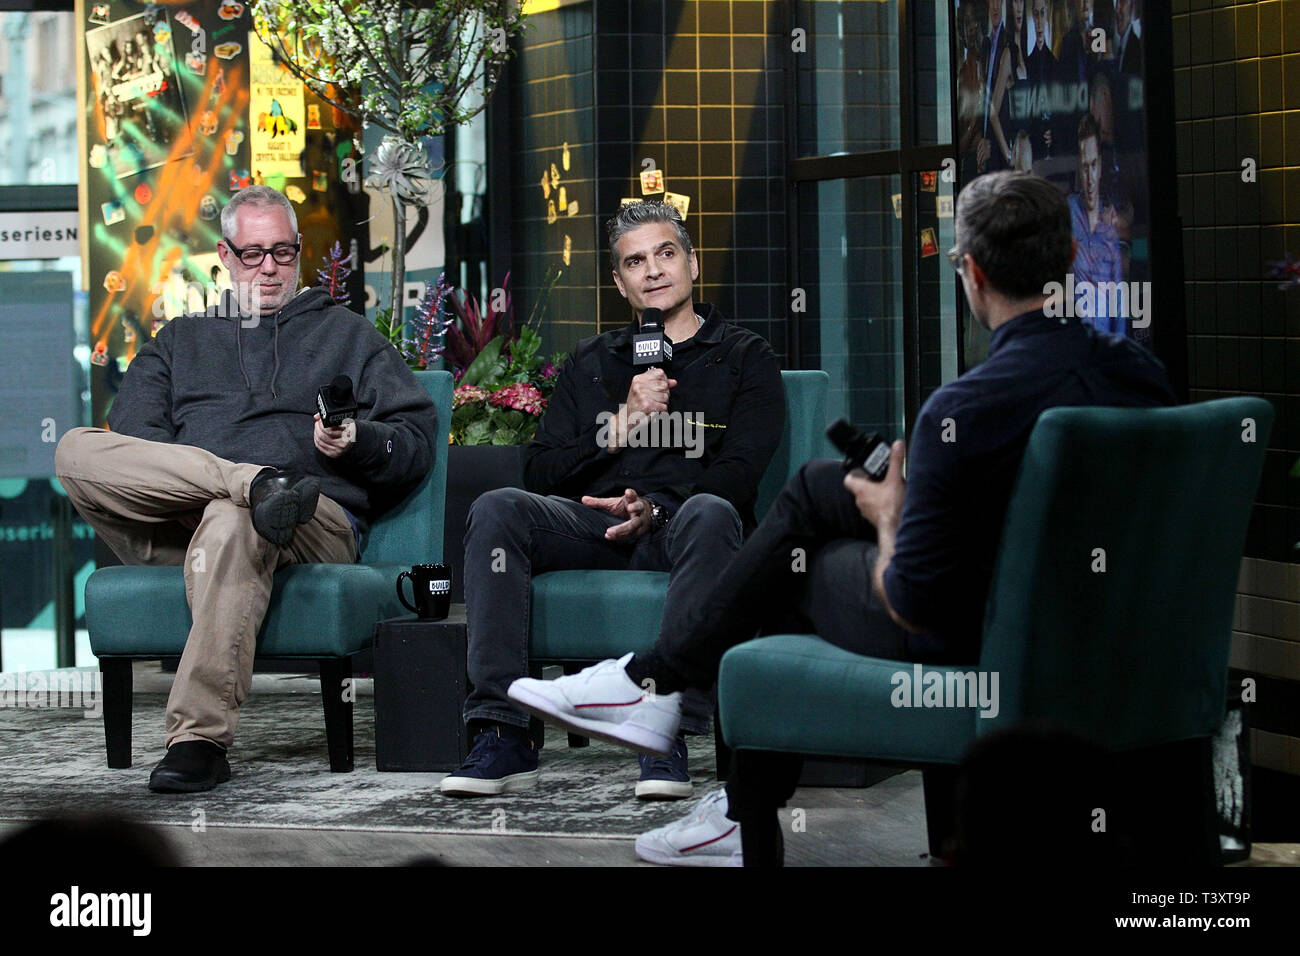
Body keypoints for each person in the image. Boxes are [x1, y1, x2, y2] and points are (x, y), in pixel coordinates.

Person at [507, 172, 1176, 865]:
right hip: (1121, 632)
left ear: (972, 273)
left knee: (797, 568)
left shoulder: (964, 411)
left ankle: (679, 723)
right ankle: (662, 700)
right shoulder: (1142, 378)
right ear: (1069, 260)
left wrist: (891, 517)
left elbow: (915, 599)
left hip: (983, 641)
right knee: (821, 491)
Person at [55, 185, 438, 793]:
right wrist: (219, 489)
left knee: (240, 521)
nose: (268, 268)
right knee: (75, 449)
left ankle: (198, 740)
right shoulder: (181, 339)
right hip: (187, 523)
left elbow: (415, 440)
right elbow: (134, 439)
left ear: (300, 254)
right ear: (225, 256)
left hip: (313, 520)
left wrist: (356, 440)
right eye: (253, 253)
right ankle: (252, 483)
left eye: (282, 253)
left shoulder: (348, 335)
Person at [439, 200, 784, 800]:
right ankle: (501, 730)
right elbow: (541, 469)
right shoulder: (592, 361)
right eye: (635, 261)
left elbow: (741, 471)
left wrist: (658, 510)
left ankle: (663, 727)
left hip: (685, 525)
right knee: (498, 506)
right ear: (620, 283)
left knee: (710, 511)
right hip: (592, 524)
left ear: (693, 265)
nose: (652, 270)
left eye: (665, 253)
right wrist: (618, 425)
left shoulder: (744, 356)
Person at [1070, 112, 1125, 334]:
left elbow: (1119, 306)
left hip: (1104, 350)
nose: (1090, 176)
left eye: (1093, 165)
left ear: (1100, 165)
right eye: (1084, 166)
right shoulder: (1066, 212)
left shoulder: (1111, 228)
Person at [989, 0, 1031, 172]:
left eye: (1022, 2)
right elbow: (992, 113)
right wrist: (1007, 153)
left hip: (1033, 149)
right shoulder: (1008, 55)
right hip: (1018, 153)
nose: (1019, 8)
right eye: (1015, 2)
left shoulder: (1029, 54)